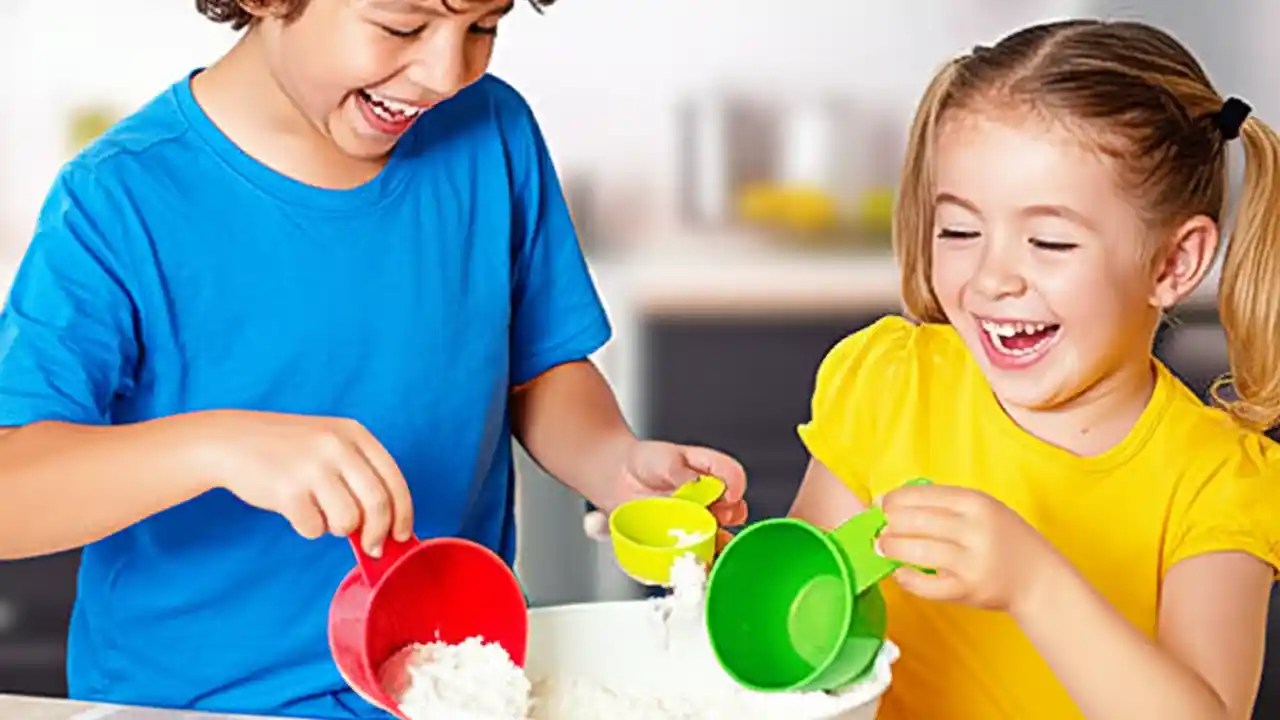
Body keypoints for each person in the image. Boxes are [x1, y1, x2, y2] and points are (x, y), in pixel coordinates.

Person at [0, 1, 747, 717]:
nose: (445, 70)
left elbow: (537, 366)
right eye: (403, 24)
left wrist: (614, 463)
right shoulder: (119, 199)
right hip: (190, 706)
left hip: (448, 686)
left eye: (484, 25)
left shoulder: (491, 130)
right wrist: (216, 446)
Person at [788, 18, 1280, 720]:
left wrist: (1034, 584)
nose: (992, 279)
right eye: (959, 230)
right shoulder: (890, 384)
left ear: (1173, 264)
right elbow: (809, 623)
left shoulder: (1219, 482)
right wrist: (719, 565)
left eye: (1048, 241)